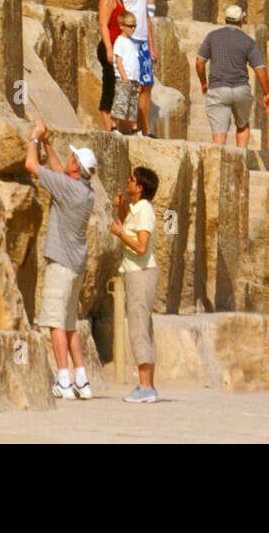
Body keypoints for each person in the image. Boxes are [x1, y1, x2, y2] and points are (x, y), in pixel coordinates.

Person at [23, 119, 98, 399]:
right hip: (76, 264)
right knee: (70, 325)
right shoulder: (84, 191)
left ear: (76, 166)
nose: (67, 159)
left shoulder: (68, 188)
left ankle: (63, 381)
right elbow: (60, 173)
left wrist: (34, 137)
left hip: (61, 264)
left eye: (71, 157)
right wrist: (47, 145)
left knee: (55, 323)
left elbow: (32, 166)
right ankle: (82, 380)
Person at [110, 166, 160, 402]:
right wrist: (121, 210)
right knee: (143, 327)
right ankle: (148, 385)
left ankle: (145, 387)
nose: (127, 181)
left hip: (141, 273)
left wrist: (120, 234)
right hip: (136, 273)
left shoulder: (145, 210)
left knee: (139, 328)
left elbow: (141, 247)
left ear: (140, 187)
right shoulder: (136, 209)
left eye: (131, 179)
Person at [195, 5, 269, 148]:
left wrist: (203, 83)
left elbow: (200, 62)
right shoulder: (248, 41)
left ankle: (218, 163)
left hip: (218, 88)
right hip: (241, 90)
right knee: (243, 125)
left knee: (219, 134)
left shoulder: (212, 36)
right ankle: (241, 161)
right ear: (241, 21)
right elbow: (260, 68)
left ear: (225, 20)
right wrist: (267, 93)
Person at [118, 0, 157, 135]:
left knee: (147, 85)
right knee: (132, 85)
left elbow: (146, 17)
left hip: (143, 42)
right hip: (130, 40)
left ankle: (146, 130)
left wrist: (152, 46)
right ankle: (129, 128)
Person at [96, 0, 125, 131]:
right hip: (110, 46)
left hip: (118, 47)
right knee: (109, 84)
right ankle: (109, 126)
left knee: (117, 86)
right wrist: (109, 49)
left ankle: (114, 124)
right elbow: (103, 24)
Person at [110, 12, 141, 135]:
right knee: (120, 103)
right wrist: (124, 77)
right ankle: (114, 127)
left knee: (132, 105)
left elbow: (134, 62)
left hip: (133, 79)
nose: (133, 28)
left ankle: (134, 129)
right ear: (121, 26)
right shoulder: (120, 41)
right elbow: (118, 60)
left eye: (135, 26)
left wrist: (137, 81)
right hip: (124, 79)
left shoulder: (132, 42)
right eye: (130, 26)